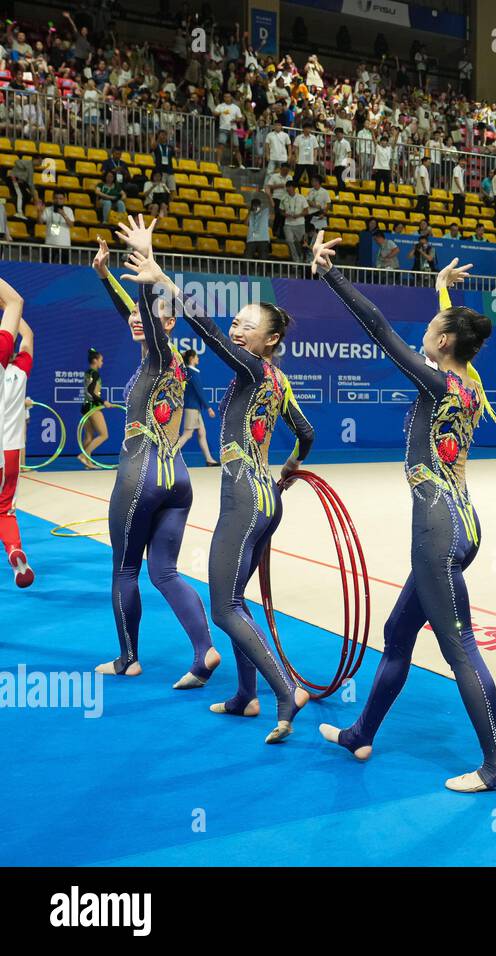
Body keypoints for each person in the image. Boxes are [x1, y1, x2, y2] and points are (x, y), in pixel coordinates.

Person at [312, 236, 496, 791]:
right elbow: (441, 338)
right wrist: (442, 290)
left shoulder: (435, 379)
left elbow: (380, 330)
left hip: (436, 526)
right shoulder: (467, 381)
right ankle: (361, 733)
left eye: (433, 331)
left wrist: (332, 276)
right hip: (462, 520)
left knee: (458, 645)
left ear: (444, 343)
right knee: (398, 631)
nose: (423, 336)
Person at [117, 219, 314, 743]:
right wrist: (291, 466)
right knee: (237, 599)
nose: (237, 328)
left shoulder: (252, 368)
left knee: (224, 605)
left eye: (249, 325)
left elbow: (203, 329)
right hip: (266, 493)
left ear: (269, 340)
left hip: (244, 496)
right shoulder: (278, 379)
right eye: (239, 320)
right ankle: (245, 696)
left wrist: (162, 276)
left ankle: (283, 692)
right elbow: (307, 431)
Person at [90, 230, 219, 686]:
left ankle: (128, 658)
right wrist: (107, 275)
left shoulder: (161, 358)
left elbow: (143, 310)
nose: (135, 321)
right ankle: (204, 652)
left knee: (125, 568)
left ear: (168, 324)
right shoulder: (168, 362)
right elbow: (135, 313)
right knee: (164, 571)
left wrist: (147, 267)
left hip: (141, 472)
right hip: (177, 478)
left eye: (148, 316)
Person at [0, 277, 34, 588]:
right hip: (7, 453)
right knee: (4, 511)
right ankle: (14, 549)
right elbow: (27, 332)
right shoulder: (18, 372)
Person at [174, 349, 218, 465]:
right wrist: (208, 407)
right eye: (197, 357)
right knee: (188, 434)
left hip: (195, 408)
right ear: (192, 358)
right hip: (192, 408)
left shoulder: (189, 372)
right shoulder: (192, 373)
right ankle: (169, 454)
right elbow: (200, 392)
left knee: (202, 433)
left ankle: (209, 460)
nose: (199, 359)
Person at [79, 346, 113, 468]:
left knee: (89, 435)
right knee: (104, 435)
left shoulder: (88, 372)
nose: (102, 363)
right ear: (95, 361)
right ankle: (84, 456)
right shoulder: (95, 374)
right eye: (101, 360)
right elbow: (91, 391)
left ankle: (87, 463)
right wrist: (104, 401)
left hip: (85, 406)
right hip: (93, 406)